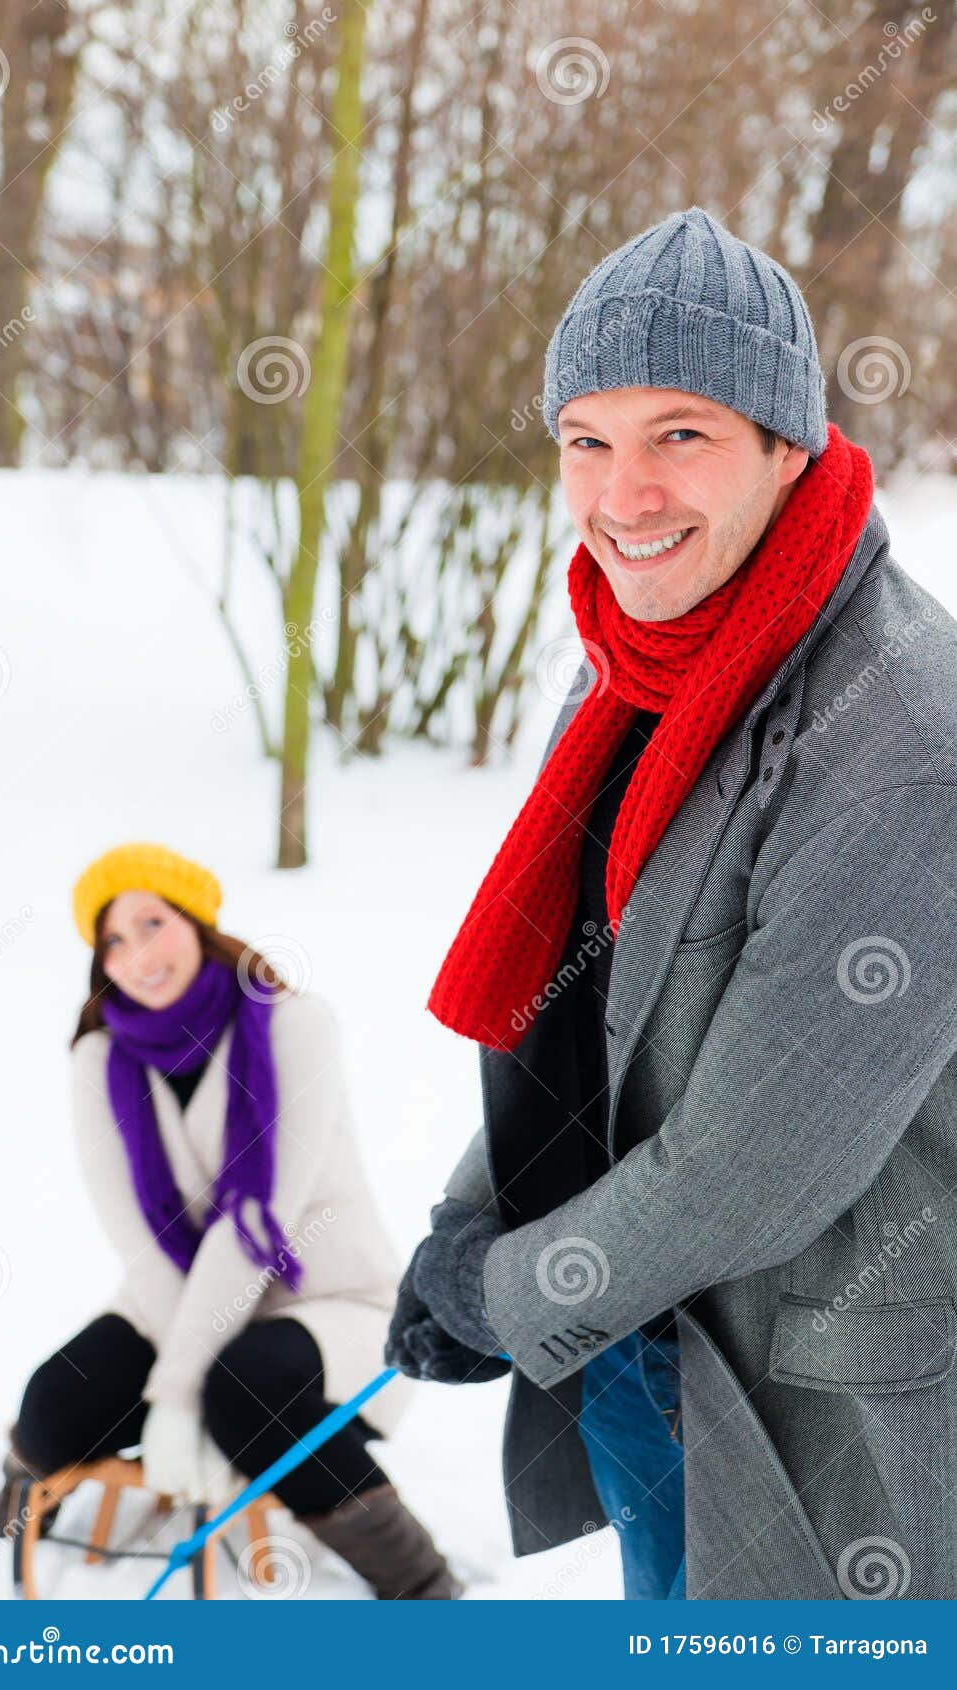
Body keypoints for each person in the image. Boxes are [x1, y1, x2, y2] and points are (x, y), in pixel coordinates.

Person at [388, 206, 957, 1601]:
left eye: (678, 433)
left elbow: (747, 1167)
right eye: (586, 439)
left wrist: (504, 1291)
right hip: (642, 1355)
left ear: (786, 446)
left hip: (808, 1406)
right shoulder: (631, 673)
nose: (621, 493)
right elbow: (584, 1011)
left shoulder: (903, 738)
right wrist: (466, 1221)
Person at [0, 842, 460, 1599]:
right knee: (56, 1404)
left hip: (320, 1297)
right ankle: (19, 1495)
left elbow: (258, 1220)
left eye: (152, 922)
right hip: (173, 1292)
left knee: (246, 1391)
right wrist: (181, 1372)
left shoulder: (294, 1024)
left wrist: (181, 1392)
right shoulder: (99, 1060)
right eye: (112, 939)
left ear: (197, 922)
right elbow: (137, 1238)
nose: (136, 953)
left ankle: (421, 1583)